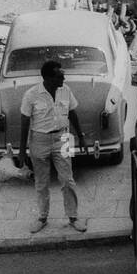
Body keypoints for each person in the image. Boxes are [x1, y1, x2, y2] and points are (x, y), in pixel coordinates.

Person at [18, 59, 86, 232]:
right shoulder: (31, 95)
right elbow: (24, 123)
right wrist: (22, 151)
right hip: (39, 140)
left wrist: (81, 137)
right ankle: (42, 217)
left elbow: (72, 113)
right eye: (59, 76)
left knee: (67, 179)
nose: (63, 78)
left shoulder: (66, 90)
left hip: (63, 137)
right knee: (41, 182)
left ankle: (73, 217)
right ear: (48, 78)